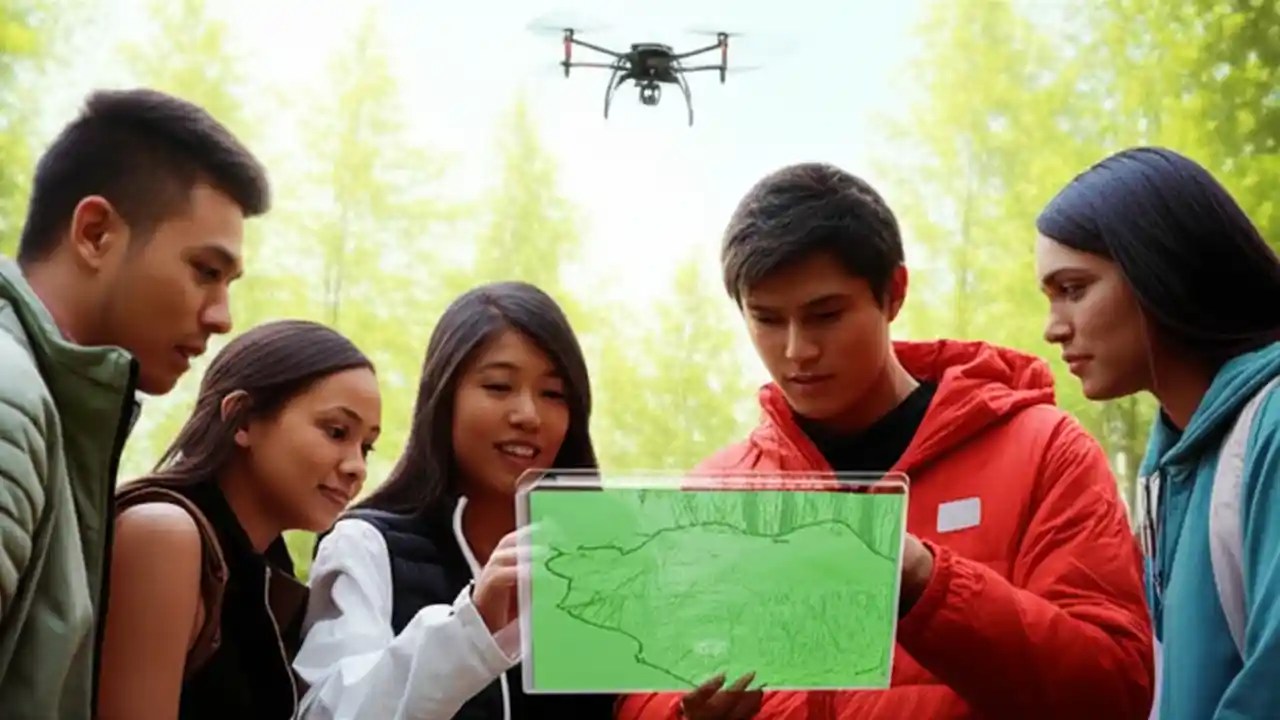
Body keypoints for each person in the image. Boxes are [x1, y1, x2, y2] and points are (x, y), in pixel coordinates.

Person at [617, 162, 1155, 720]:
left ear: (893, 293)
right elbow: (639, 692)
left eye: (825, 315)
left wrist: (926, 581)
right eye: (767, 320)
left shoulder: (1045, 452)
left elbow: (1114, 690)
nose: (797, 351)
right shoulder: (714, 489)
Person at [0, 88, 269, 718]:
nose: (223, 317)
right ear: (95, 234)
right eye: (205, 271)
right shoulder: (11, 403)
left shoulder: (52, 408)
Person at [293, 281, 619, 720]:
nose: (528, 414)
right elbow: (328, 713)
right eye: (499, 386)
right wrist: (470, 629)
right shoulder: (366, 547)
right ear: (444, 398)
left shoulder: (604, 560)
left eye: (553, 394)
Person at [1035, 146, 1280, 720]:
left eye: (1073, 289)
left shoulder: (1271, 428)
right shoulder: (1173, 465)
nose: (1052, 328)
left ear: (1159, 268)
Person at [98, 320, 379, 719]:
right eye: (336, 431)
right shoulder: (164, 535)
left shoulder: (266, 577)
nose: (356, 467)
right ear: (242, 418)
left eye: (366, 447)